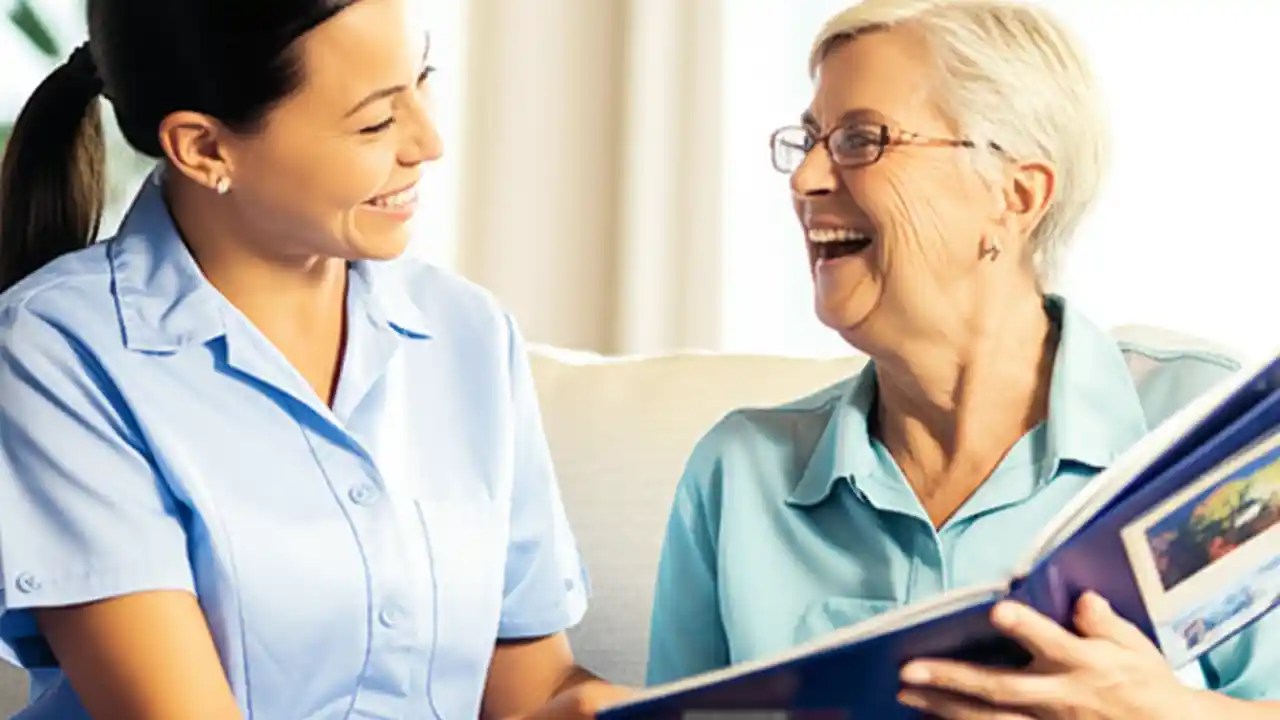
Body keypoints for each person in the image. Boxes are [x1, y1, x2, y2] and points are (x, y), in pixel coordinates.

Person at [645, 0, 1280, 717]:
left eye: (859, 139)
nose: (806, 180)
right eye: (811, 139)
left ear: (1015, 194)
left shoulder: (1207, 425)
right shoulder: (739, 473)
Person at [0, 0, 629, 717]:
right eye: (375, 121)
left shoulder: (469, 335)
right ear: (204, 148)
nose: (428, 141)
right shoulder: (58, 352)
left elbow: (527, 691)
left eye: (422, 80)